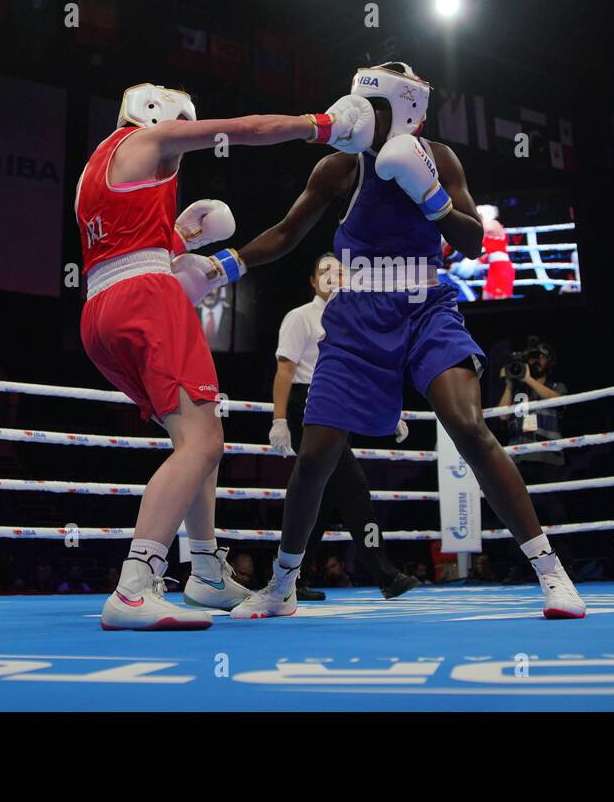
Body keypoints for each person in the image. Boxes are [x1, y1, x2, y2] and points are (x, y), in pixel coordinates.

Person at [180, 62, 585, 620]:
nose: (365, 117)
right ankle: (281, 585)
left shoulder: (439, 158)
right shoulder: (338, 168)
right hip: (358, 313)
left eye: (378, 107)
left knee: (469, 425)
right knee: (317, 453)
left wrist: (433, 196)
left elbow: (471, 244)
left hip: (426, 306)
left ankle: (552, 574)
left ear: (406, 110)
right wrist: (225, 265)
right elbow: (286, 232)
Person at [77, 82, 375, 631]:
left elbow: (125, 242)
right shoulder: (153, 139)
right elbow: (245, 129)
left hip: (99, 310)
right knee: (205, 442)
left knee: (197, 436)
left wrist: (182, 243)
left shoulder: (95, 166)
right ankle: (136, 585)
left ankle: (207, 571)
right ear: (158, 112)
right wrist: (320, 126)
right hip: (146, 299)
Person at [268, 252, 418, 601]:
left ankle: (291, 577)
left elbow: (363, 372)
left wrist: (389, 413)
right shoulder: (300, 317)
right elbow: (285, 370)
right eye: (324, 272)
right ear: (312, 281)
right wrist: (279, 419)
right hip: (306, 403)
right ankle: (385, 574)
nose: (333, 277)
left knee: (319, 496)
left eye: (339, 271)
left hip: (338, 400)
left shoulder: (352, 318)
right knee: (353, 489)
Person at [495, 337, 569, 581]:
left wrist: (527, 380)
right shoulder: (517, 392)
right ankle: (517, 568)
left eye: (541, 357)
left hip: (549, 459)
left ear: (549, 361)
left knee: (555, 512)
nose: (536, 362)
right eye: (532, 358)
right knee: (516, 513)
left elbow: (558, 402)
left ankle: (564, 566)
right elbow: (502, 417)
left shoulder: (557, 385)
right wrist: (509, 383)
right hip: (519, 459)